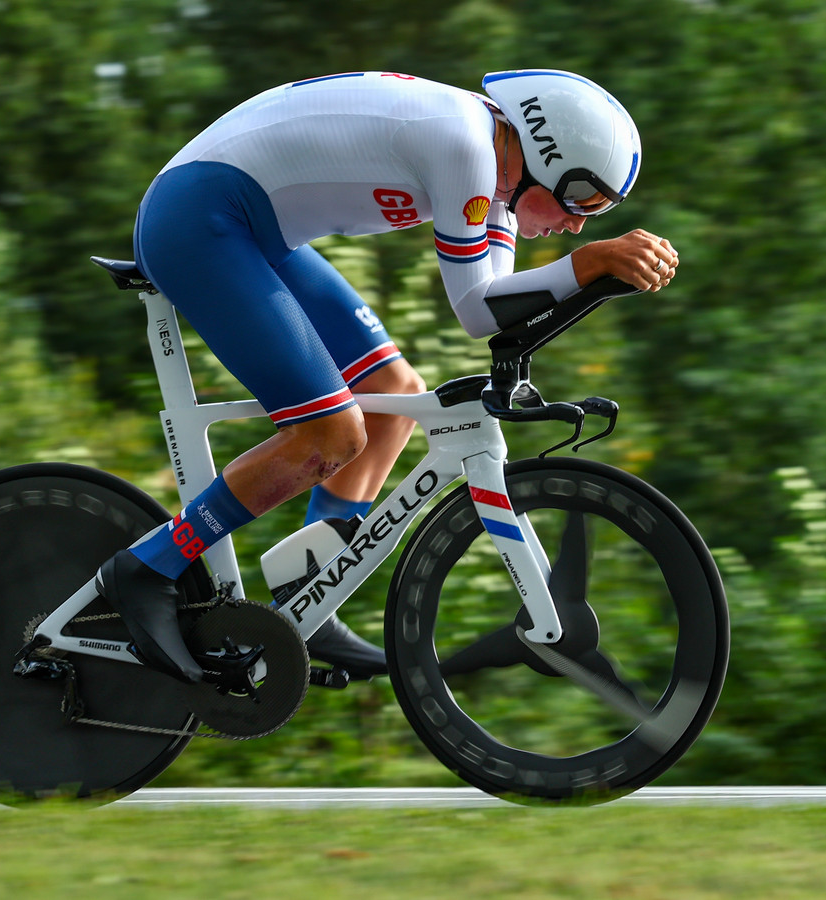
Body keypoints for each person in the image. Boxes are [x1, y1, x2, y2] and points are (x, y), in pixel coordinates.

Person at [95, 69, 679, 683]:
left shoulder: (498, 175)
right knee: (331, 436)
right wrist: (585, 267)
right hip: (201, 219)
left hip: (253, 229)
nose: (579, 224)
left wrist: (588, 279)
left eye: (598, 213)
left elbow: (500, 308)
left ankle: (306, 588)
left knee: (392, 396)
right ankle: (148, 567)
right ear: (546, 158)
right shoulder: (466, 147)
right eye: (581, 201)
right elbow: (478, 307)